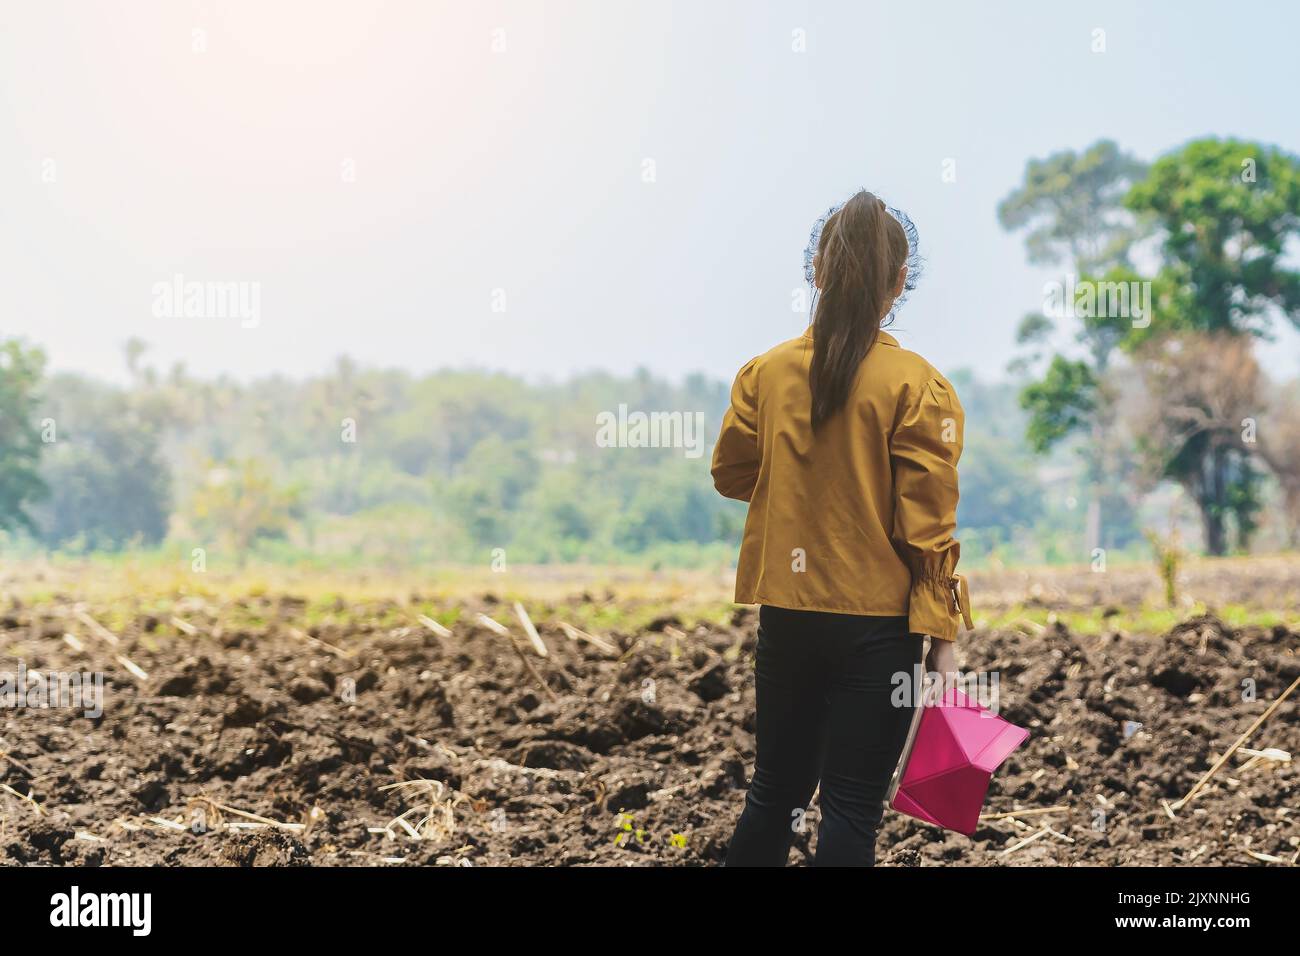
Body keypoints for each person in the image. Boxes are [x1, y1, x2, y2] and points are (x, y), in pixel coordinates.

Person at [712, 190, 966, 867]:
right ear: (898, 282)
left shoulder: (764, 375)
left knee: (773, 794)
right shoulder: (918, 387)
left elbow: (733, 475)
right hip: (876, 629)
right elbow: (926, 530)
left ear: (816, 272)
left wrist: (803, 484)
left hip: (787, 619)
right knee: (852, 807)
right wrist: (944, 638)